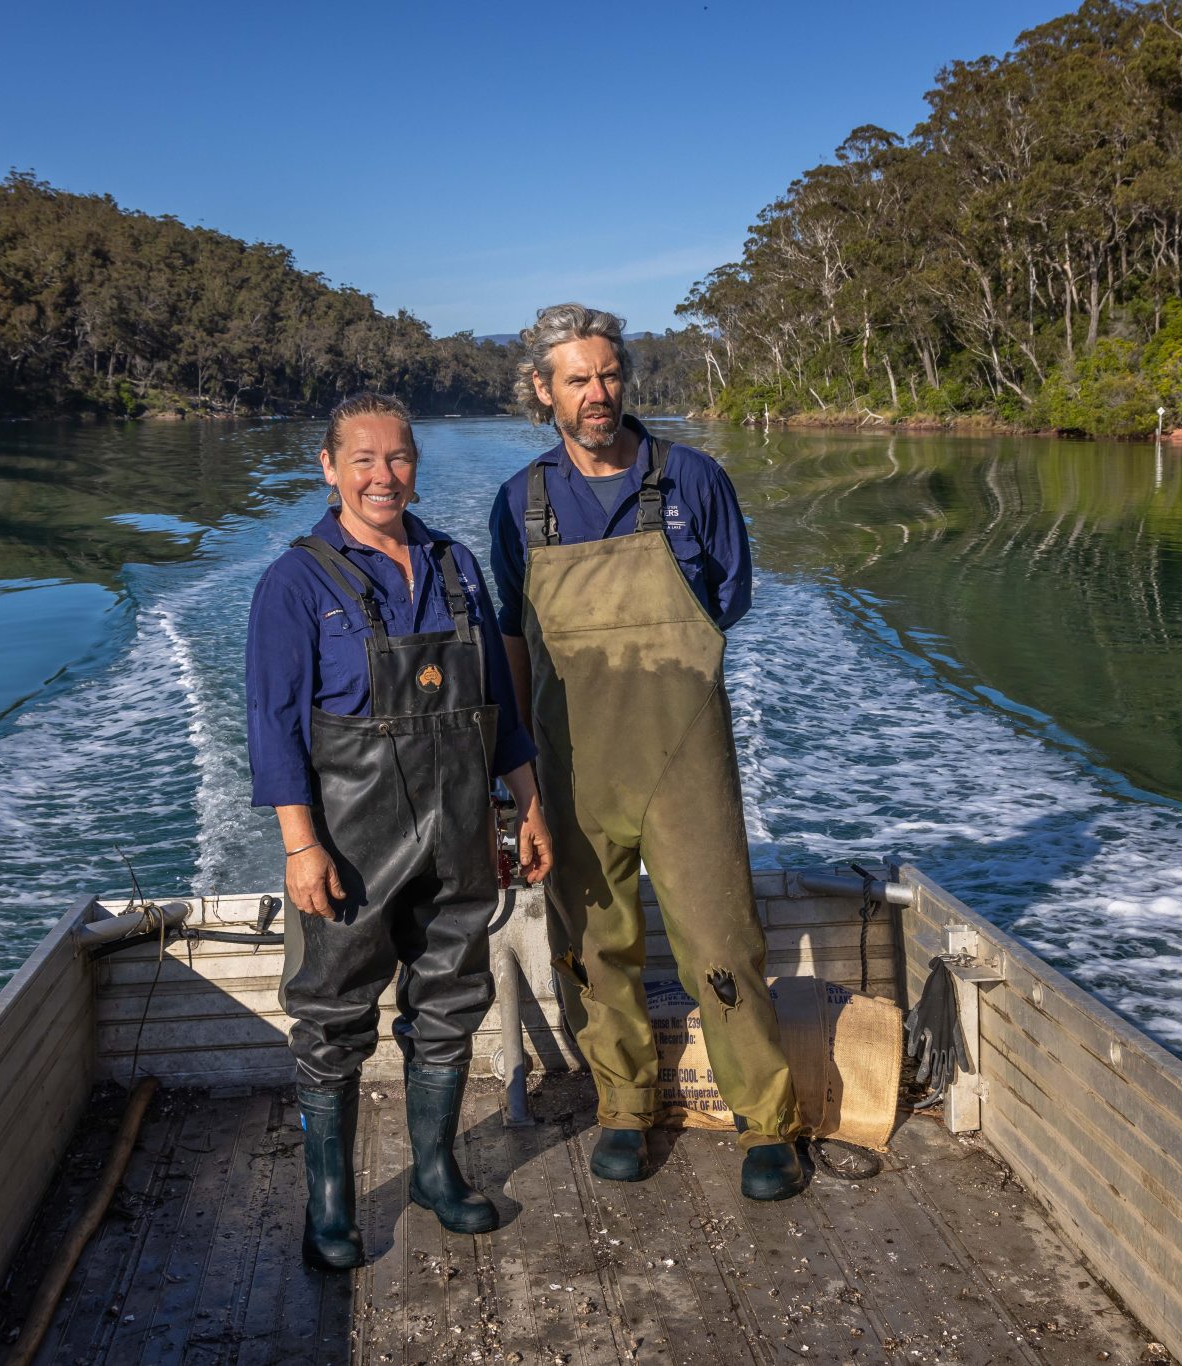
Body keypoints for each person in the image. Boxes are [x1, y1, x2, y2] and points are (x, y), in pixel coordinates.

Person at [488, 304, 806, 1201]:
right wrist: (514, 773)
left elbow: (725, 599)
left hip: (684, 752)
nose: (598, 394)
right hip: (571, 756)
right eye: (577, 380)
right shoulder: (522, 503)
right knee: (593, 945)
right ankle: (625, 1106)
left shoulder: (692, 479)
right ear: (543, 392)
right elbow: (514, 639)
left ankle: (766, 1122)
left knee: (721, 940)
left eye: (609, 374)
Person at [246, 392, 554, 1271]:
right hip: (349, 836)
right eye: (365, 460)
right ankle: (333, 1202)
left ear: (416, 463)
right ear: (330, 467)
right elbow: (273, 727)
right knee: (331, 1018)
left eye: (400, 458)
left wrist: (527, 802)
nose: (385, 476)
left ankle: (434, 1170)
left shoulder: (455, 564)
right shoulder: (295, 581)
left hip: (458, 825)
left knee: (451, 1001)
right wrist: (301, 846)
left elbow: (498, 706)